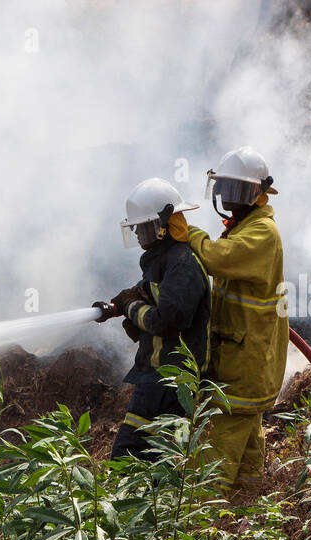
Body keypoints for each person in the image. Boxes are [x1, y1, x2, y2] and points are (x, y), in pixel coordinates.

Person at [185, 146, 288, 490]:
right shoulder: (244, 226)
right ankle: (248, 499)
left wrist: (190, 235)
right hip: (241, 350)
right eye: (224, 188)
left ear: (256, 194)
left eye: (236, 190)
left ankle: (205, 516)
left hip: (246, 356)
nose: (227, 198)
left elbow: (220, 259)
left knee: (221, 439)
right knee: (247, 426)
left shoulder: (261, 232)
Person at [96, 178, 210, 462]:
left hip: (170, 378)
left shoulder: (180, 263)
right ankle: (157, 504)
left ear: (162, 225)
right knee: (151, 457)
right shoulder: (164, 259)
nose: (136, 233)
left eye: (142, 227)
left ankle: (140, 505)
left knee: (128, 454)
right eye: (134, 227)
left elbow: (165, 321)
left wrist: (131, 305)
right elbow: (152, 291)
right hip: (160, 375)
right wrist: (118, 306)